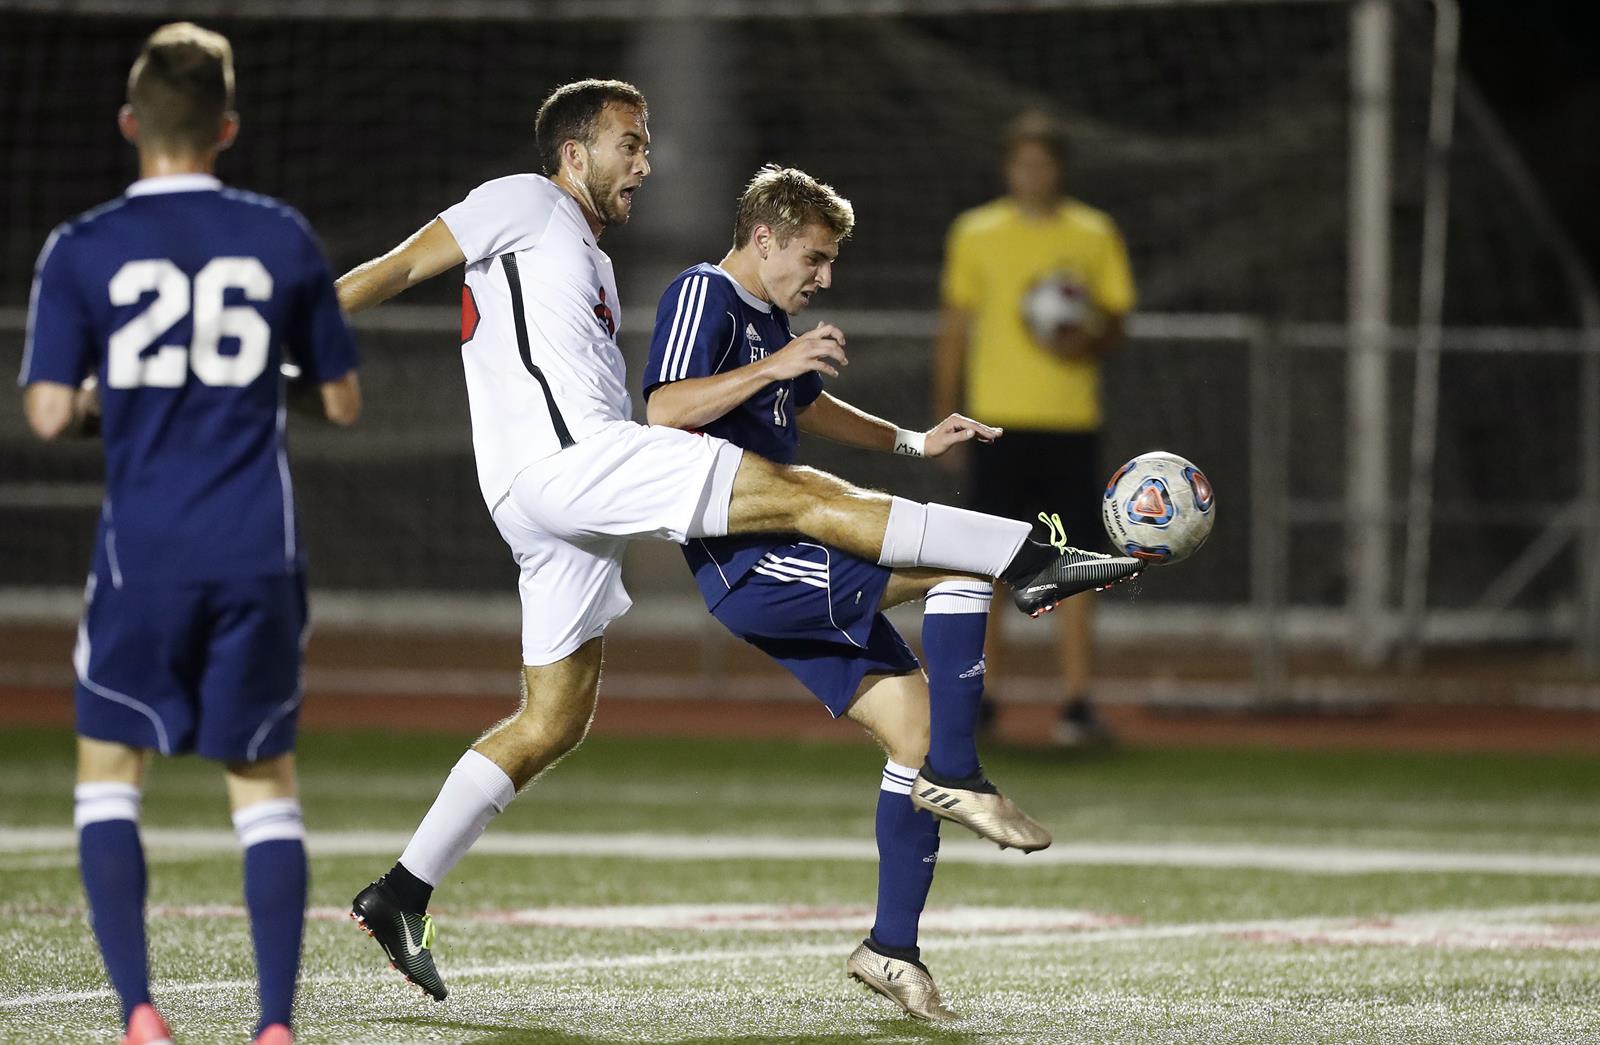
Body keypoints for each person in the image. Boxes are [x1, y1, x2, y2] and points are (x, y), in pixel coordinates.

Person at [334, 79, 1140, 1004]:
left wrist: (912, 435)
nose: (646, 161)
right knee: (803, 496)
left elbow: (775, 398)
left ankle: (401, 889)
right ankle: (1028, 557)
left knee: (554, 717)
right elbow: (401, 268)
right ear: (570, 153)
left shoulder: (590, 260)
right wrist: (309, 328)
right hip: (573, 464)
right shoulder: (523, 200)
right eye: (629, 143)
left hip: (566, 496)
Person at [643, 164, 1085, 1020]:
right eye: (814, 257)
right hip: (752, 563)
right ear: (762, 237)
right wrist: (775, 363)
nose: (825, 277)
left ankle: (891, 948)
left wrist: (915, 441)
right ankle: (966, 769)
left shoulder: (769, 319)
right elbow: (664, 408)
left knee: (912, 732)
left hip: (790, 552)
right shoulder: (705, 291)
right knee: (963, 566)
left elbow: (808, 407)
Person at [18, 23, 361, 1045]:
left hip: (144, 555)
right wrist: (257, 376)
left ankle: (139, 1012)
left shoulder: (82, 247)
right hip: (259, 550)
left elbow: (42, 414)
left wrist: (110, 400)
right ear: (227, 127)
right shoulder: (283, 236)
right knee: (262, 781)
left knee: (109, 768)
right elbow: (341, 402)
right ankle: (272, 1024)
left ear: (131, 125)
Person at [933, 110, 1137, 747]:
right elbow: (955, 328)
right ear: (1007, 167)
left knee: (1076, 565)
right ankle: (980, 699)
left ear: (1059, 168)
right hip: (996, 426)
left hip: (1071, 424)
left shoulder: (1093, 233)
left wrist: (1088, 338)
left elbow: (1115, 322)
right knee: (989, 569)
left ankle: (1076, 703)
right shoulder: (976, 232)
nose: (1032, 173)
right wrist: (947, 413)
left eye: (1043, 162)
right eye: (1022, 161)